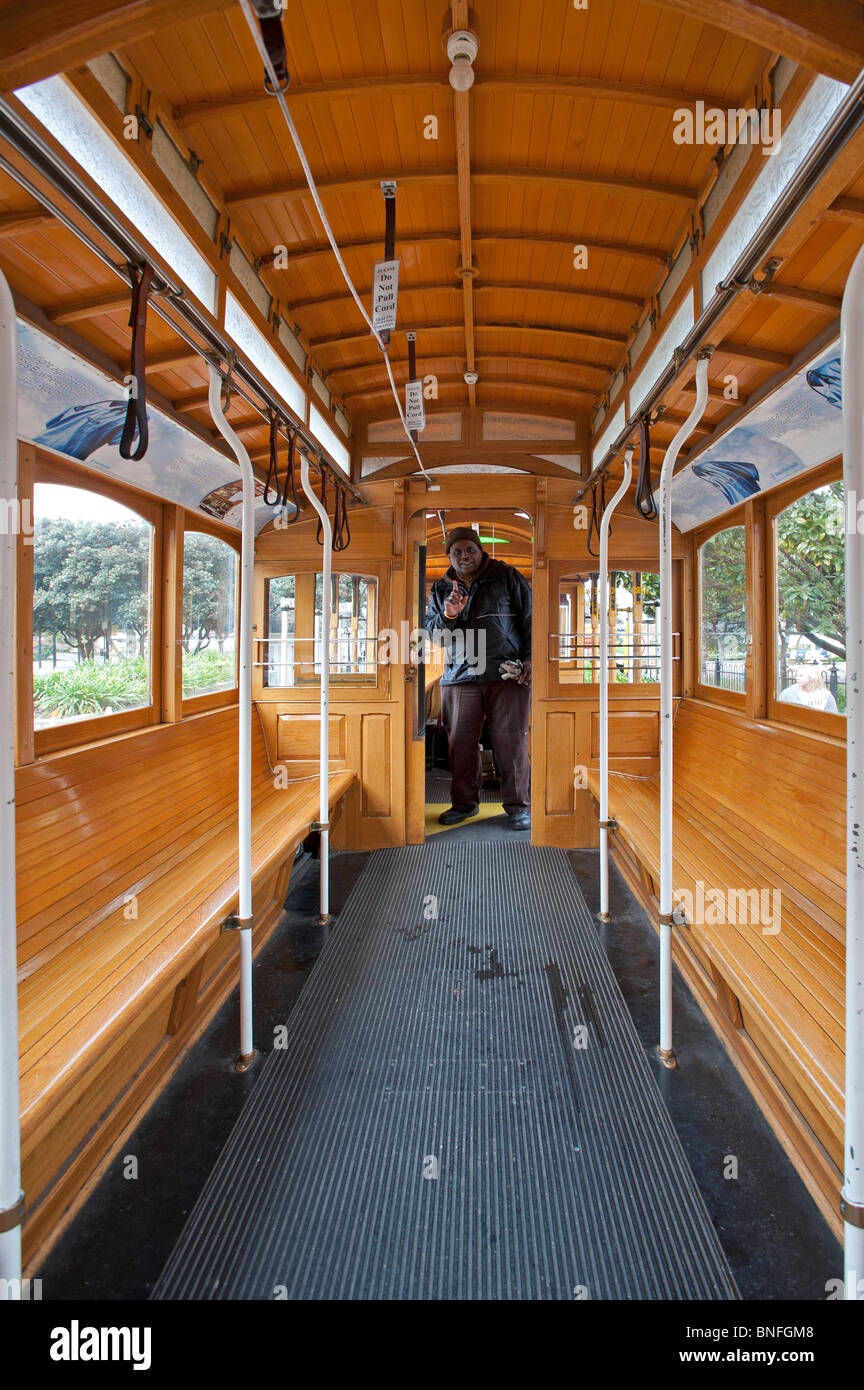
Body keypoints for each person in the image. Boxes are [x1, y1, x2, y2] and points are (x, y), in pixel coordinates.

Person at [425, 527, 532, 830]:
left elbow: (530, 620)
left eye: (469, 550)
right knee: (460, 744)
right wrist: (448, 614)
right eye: (456, 552)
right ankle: (464, 805)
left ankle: (518, 807)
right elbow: (436, 637)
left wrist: (529, 659)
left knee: (511, 743)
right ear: (449, 556)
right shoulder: (441, 589)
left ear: (480, 550)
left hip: (506, 674)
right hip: (461, 675)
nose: (464, 556)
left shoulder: (507, 577)